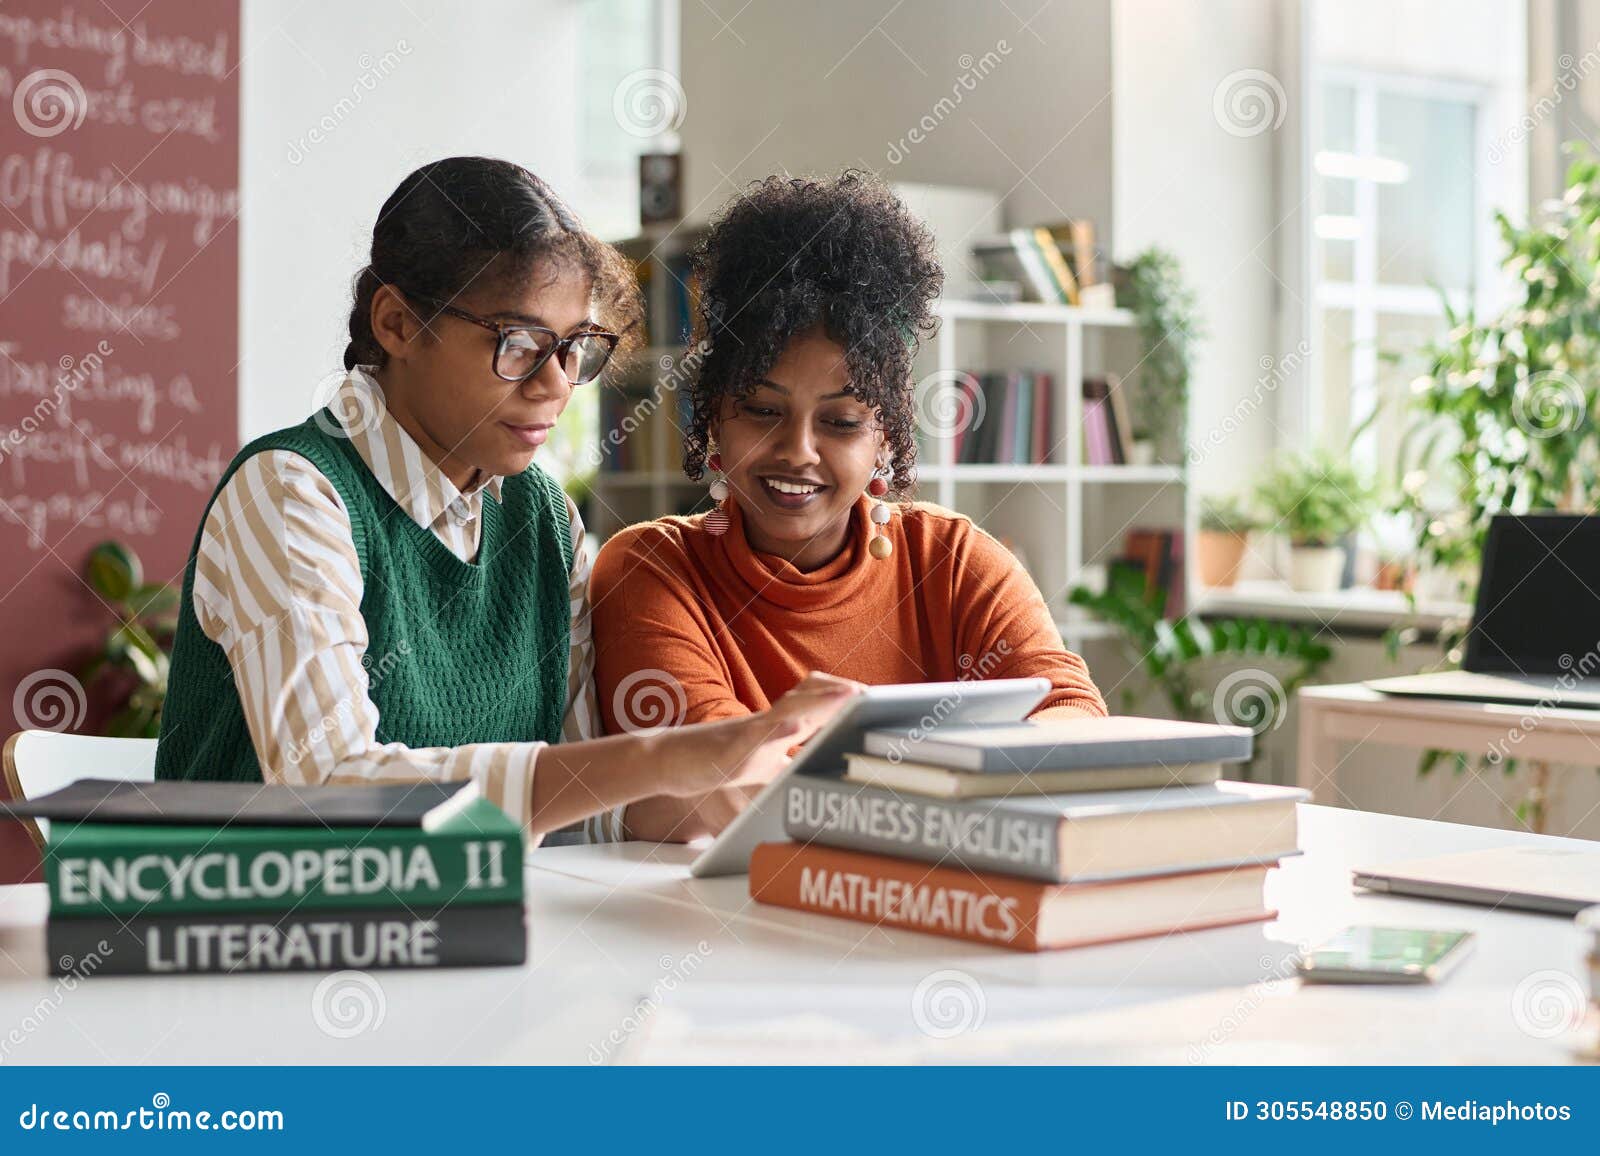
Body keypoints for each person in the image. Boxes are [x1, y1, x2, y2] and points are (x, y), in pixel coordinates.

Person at [155, 157, 858, 844]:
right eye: (517, 343)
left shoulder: (543, 519)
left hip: (459, 940)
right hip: (250, 939)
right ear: (397, 324)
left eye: (576, 346)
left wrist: (716, 800)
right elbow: (328, 791)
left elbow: (575, 801)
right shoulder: (293, 491)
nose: (555, 383)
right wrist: (657, 758)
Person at [591, 172, 1106, 843]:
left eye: (840, 423)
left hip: (929, 908)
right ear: (714, 419)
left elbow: (1073, 716)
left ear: (885, 436)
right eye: (764, 411)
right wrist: (952, 770)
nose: (797, 451)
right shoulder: (651, 569)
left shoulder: (953, 560)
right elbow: (720, 783)